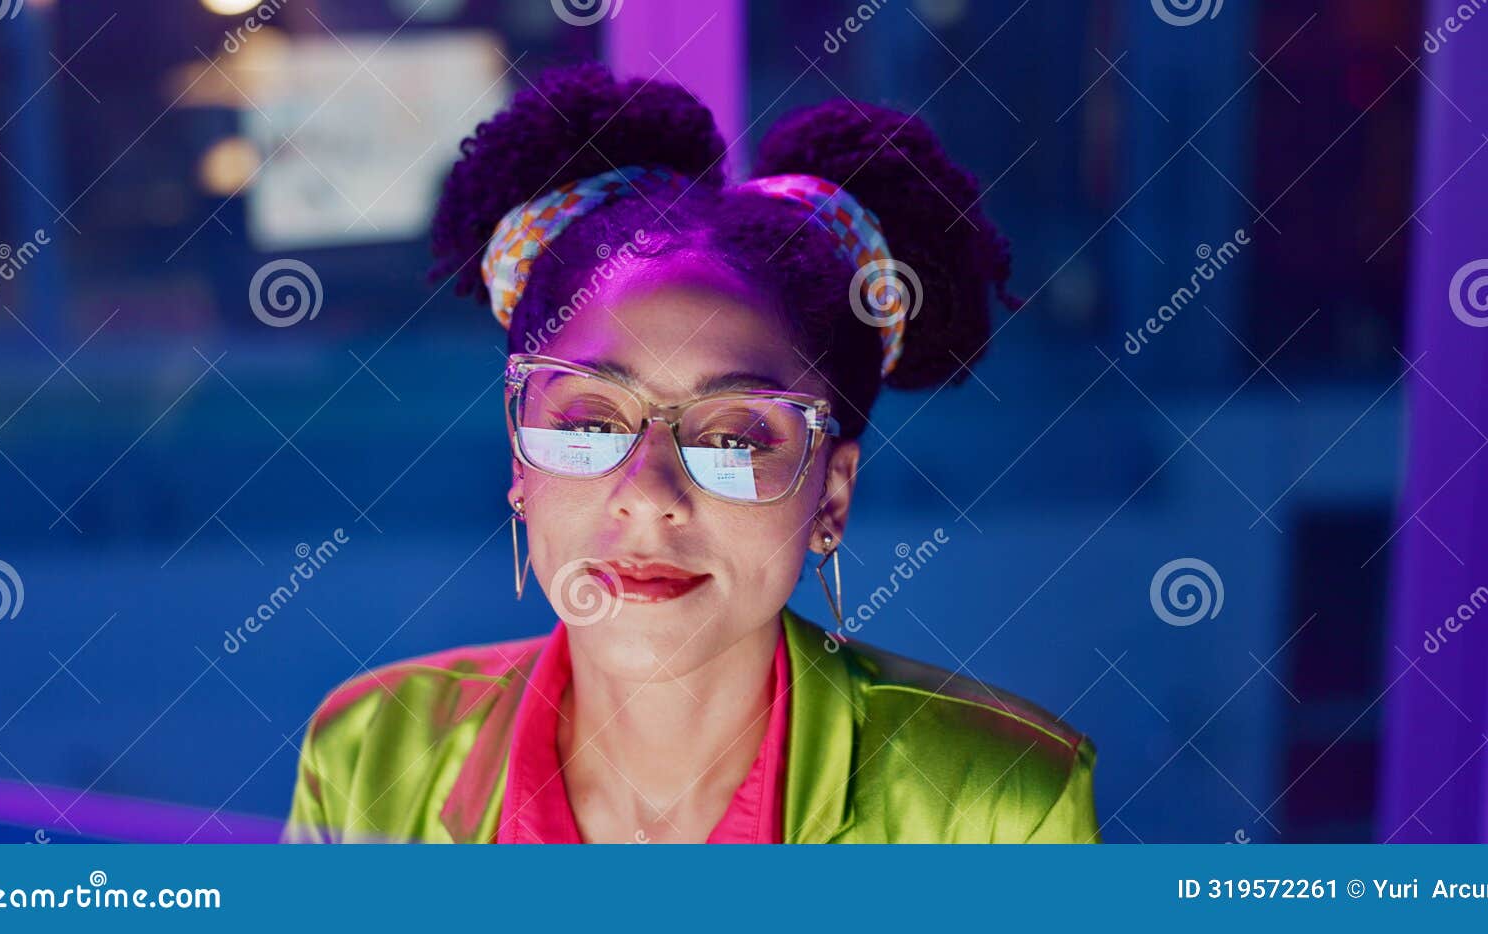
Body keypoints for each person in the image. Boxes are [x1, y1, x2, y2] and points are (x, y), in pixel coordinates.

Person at [281, 63, 1100, 844]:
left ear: (832, 494)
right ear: (521, 463)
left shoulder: (998, 802)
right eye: (591, 426)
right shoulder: (369, 755)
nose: (649, 493)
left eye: (734, 438)